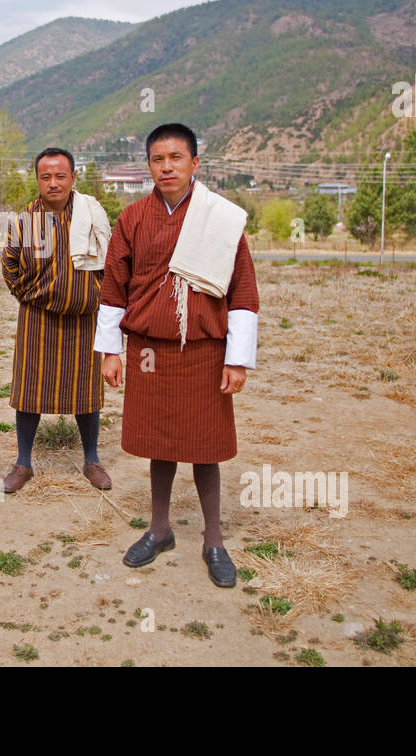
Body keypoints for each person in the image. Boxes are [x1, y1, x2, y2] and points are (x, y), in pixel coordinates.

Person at [94, 123, 259, 588]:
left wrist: (237, 358)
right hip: (148, 350)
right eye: (157, 159)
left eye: (176, 158)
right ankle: (159, 530)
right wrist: (110, 351)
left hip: (205, 350)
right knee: (158, 442)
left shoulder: (221, 221)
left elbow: (243, 292)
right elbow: (113, 289)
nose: (166, 167)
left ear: (195, 164)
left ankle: (214, 540)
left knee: (204, 446)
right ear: (149, 165)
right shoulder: (131, 219)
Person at [0, 147, 112, 492]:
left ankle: (91, 459)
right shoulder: (23, 222)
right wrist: (33, 297)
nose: (53, 183)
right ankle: (23, 463)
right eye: (45, 176)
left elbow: (111, 264)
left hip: (84, 321)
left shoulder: (92, 215)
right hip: (37, 321)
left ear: (73, 178)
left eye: (60, 175)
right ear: (37, 180)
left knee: (87, 390)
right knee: (29, 390)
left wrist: (90, 292)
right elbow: (9, 268)